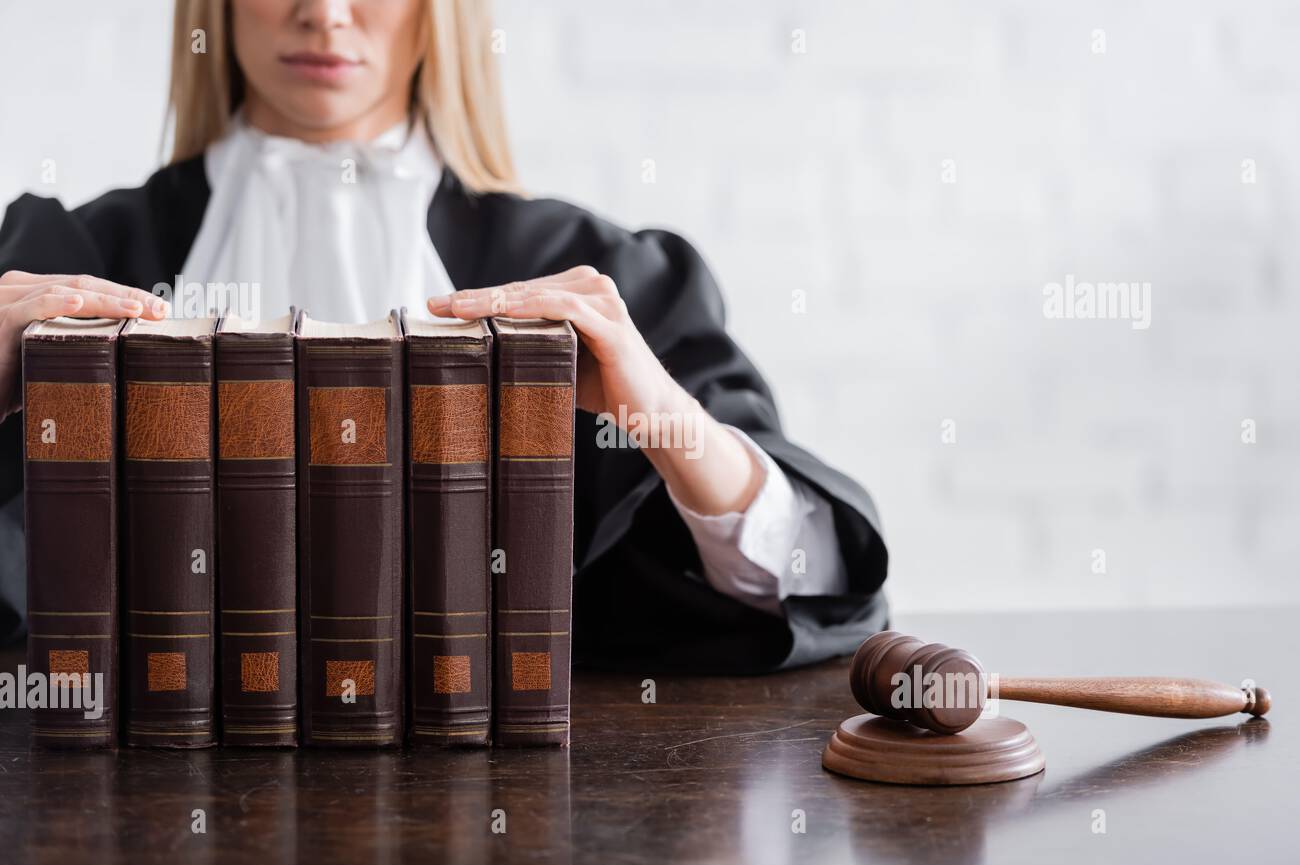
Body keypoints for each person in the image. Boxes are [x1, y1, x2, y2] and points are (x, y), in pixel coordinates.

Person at [0, 0, 887, 672]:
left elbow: (803, 573)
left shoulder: (589, 279)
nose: (324, 13)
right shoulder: (64, 262)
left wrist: (663, 417)